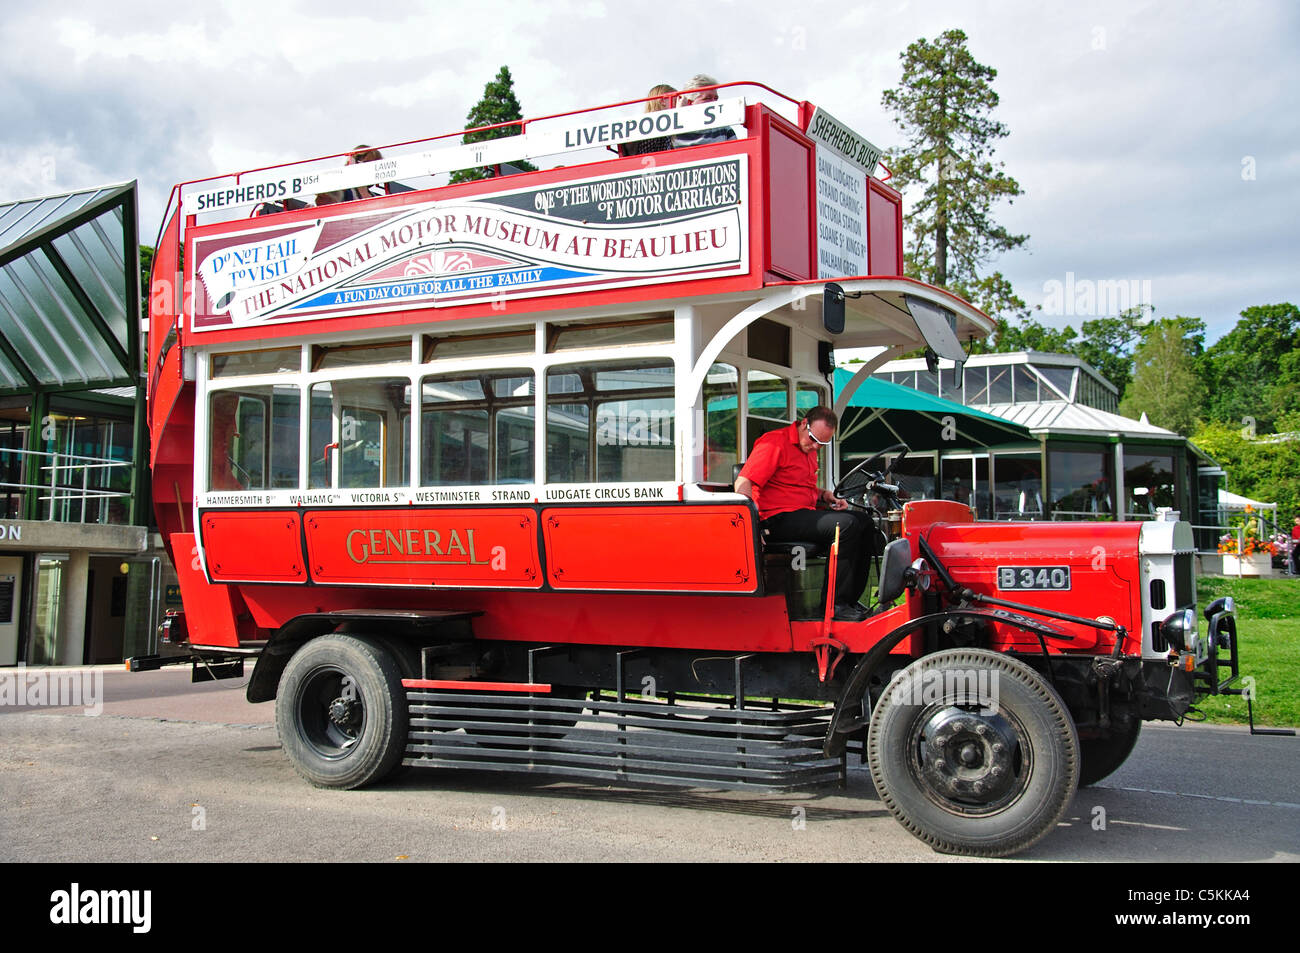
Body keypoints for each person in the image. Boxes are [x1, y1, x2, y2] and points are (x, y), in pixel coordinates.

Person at [734, 407, 875, 622]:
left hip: (800, 514)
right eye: (813, 439)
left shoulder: (808, 451)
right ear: (803, 424)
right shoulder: (774, 443)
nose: (816, 446)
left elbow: (797, 488)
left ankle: (849, 601)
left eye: (822, 443)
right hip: (774, 519)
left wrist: (825, 495)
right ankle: (833, 606)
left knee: (865, 521)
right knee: (845, 526)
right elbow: (744, 482)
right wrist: (751, 525)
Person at [672, 73, 738, 148]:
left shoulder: (724, 129)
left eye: (715, 98)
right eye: (707, 98)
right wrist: (678, 116)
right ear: (689, 102)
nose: (714, 102)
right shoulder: (671, 130)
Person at [620, 84, 677, 157]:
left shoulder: (660, 126)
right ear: (663, 101)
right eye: (675, 101)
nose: (677, 105)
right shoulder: (651, 126)